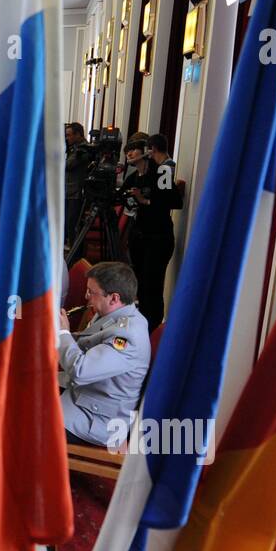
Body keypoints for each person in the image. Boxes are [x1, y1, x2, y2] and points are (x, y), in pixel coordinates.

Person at [57, 261, 150, 447]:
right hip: (85, 396)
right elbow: (88, 341)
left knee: (22, 416)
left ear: (114, 298)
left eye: (91, 292)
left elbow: (80, 370)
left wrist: (63, 334)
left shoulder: (128, 336)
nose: (86, 296)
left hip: (97, 420)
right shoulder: (113, 314)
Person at [122, 137, 177, 329]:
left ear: (147, 151)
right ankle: (139, 322)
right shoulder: (132, 178)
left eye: (133, 150)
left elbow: (173, 202)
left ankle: (152, 327)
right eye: (127, 151)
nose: (129, 154)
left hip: (158, 238)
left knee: (151, 285)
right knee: (140, 283)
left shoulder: (160, 172)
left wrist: (143, 200)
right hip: (139, 236)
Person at [64, 122, 88, 247]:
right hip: (69, 191)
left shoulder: (83, 149)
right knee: (67, 224)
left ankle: (75, 254)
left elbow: (68, 165)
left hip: (76, 193)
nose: (67, 138)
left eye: (69, 135)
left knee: (72, 225)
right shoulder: (74, 148)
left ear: (78, 134)